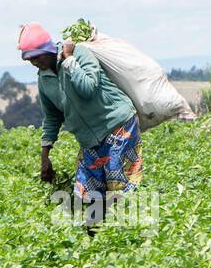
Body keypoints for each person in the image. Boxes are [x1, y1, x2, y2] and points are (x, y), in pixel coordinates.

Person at [18, 21, 141, 225]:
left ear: (48, 49)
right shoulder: (44, 79)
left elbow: (88, 88)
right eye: (29, 59)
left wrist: (69, 60)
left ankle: (129, 235)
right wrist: (45, 156)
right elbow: (51, 117)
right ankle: (95, 241)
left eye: (36, 56)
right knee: (89, 191)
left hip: (118, 124)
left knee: (120, 187)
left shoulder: (79, 54)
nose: (34, 62)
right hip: (89, 140)